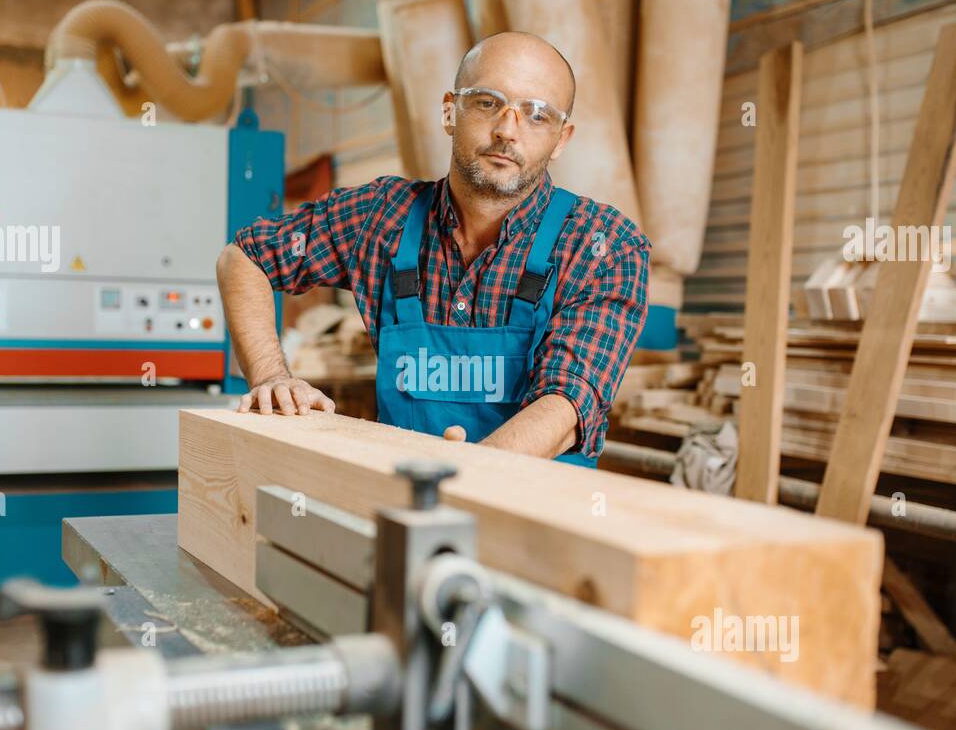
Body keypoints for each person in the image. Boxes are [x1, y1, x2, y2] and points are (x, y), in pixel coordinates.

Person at [216, 31, 649, 465]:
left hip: (538, 519)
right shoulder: (380, 217)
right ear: (449, 111)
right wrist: (271, 376)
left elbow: (565, 405)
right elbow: (244, 256)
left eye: (537, 115)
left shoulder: (604, 247)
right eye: (487, 102)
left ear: (562, 139)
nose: (506, 131)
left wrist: (459, 484)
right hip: (408, 506)